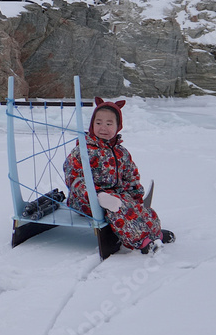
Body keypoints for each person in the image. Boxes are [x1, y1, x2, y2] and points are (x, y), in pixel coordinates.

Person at [64, 97, 174, 254]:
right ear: (92, 125)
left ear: (118, 127)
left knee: (135, 207)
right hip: (84, 201)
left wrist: (135, 197)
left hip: (116, 196)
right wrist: (99, 196)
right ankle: (141, 241)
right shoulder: (83, 150)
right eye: (98, 123)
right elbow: (74, 179)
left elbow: (131, 176)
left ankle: (155, 233)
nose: (103, 127)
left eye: (109, 124)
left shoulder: (121, 152)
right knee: (120, 209)